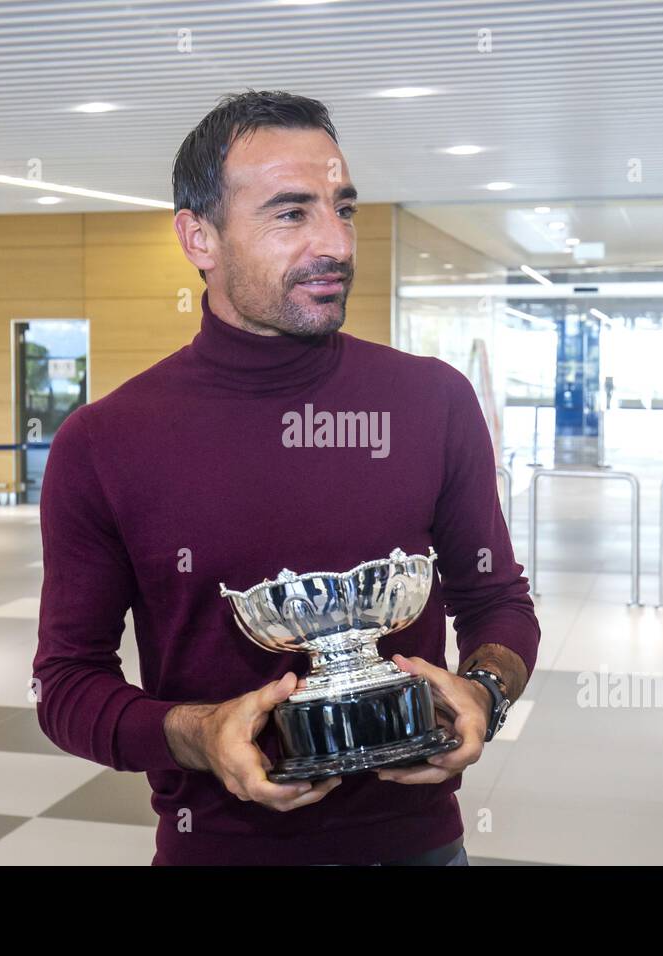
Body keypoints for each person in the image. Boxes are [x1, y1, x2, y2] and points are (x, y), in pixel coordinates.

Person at [33, 90, 539, 866]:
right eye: (291, 213)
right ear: (198, 236)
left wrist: (484, 693)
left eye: (344, 207)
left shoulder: (432, 399)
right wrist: (196, 734)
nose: (334, 242)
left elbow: (497, 600)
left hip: (419, 848)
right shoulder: (104, 441)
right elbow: (67, 687)